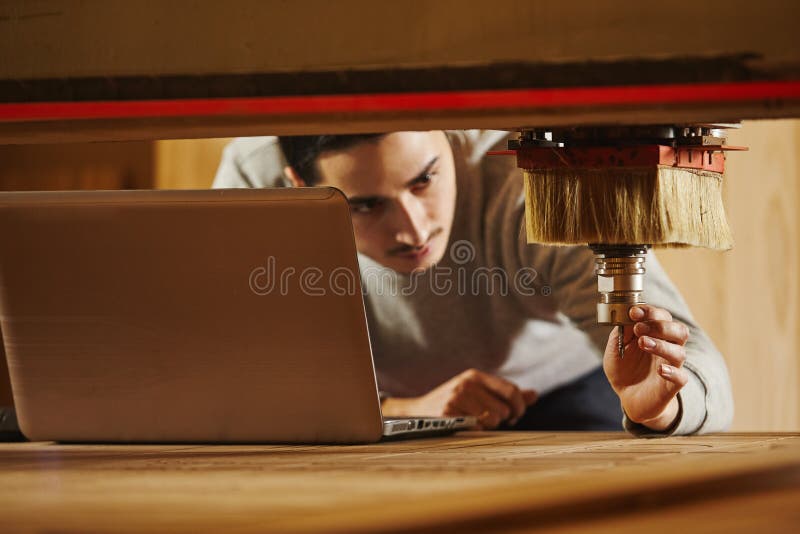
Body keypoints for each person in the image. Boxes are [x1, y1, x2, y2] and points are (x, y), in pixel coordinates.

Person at [213, 130, 733, 435]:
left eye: (424, 179)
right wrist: (402, 413)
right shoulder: (254, 183)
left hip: (564, 393)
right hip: (374, 415)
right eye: (366, 205)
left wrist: (661, 404)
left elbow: (699, 362)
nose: (413, 230)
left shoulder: (528, 175)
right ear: (297, 185)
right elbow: (236, 384)